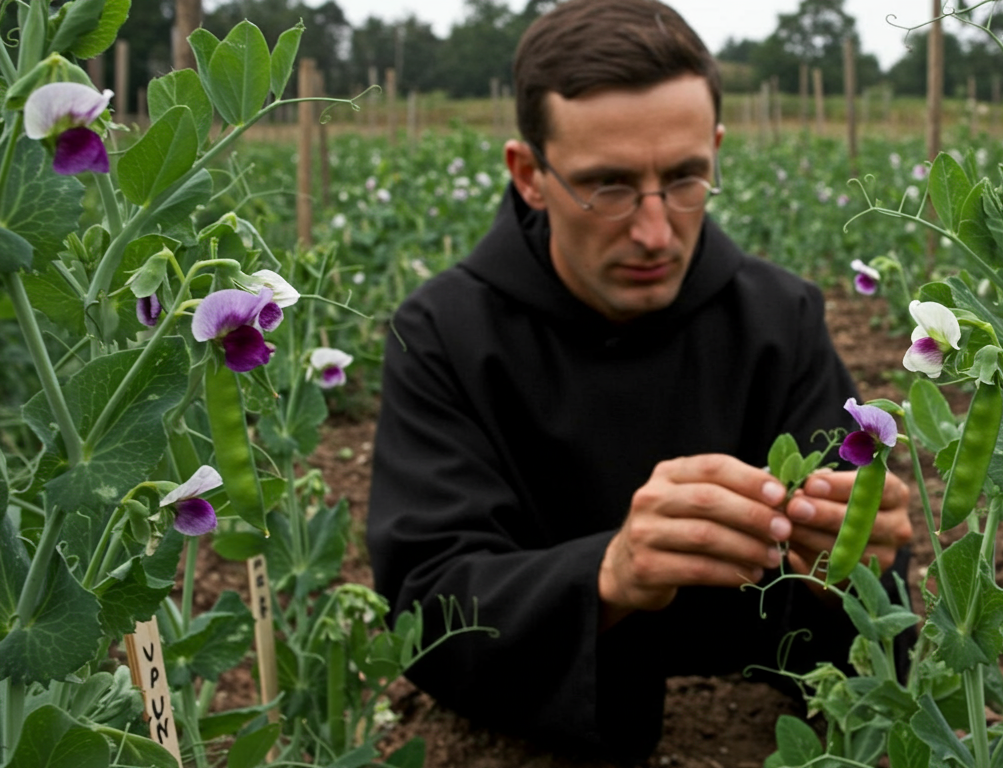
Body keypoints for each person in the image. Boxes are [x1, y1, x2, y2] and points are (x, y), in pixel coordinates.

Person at [367, 0, 913, 760]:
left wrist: (856, 565)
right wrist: (607, 574)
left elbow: (865, 619)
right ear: (529, 174)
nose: (655, 231)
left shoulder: (778, 318)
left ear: (717, 150)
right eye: (608, 186)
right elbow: (427, 604)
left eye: (686, 177)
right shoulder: (444, 334)